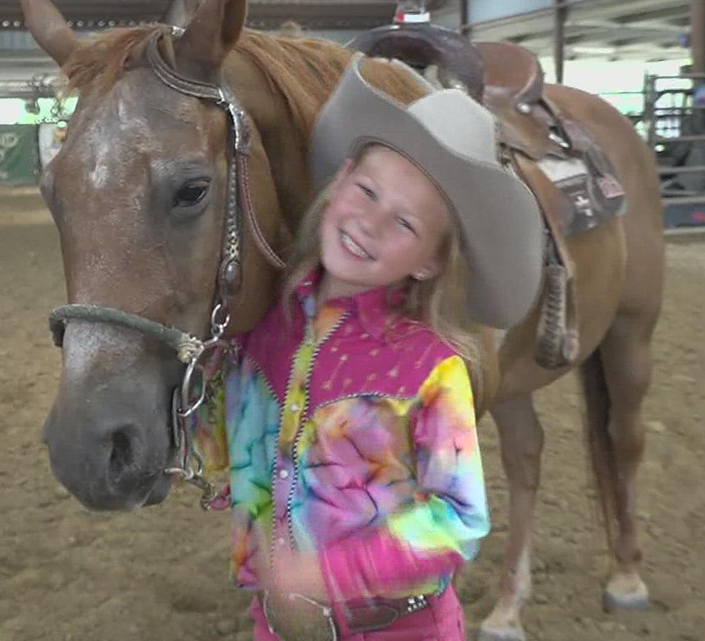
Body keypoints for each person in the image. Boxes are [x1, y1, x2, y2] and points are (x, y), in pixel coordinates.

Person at [192, 53, 544, 641]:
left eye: (406, 223)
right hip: (276, 625)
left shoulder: (432, 369)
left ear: (432, 261)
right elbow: (224, 457)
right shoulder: (261, 331)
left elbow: (459, 521)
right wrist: (197, 396)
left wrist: (328, 572)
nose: (371, 223)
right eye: (367, 190)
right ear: (340, 180)